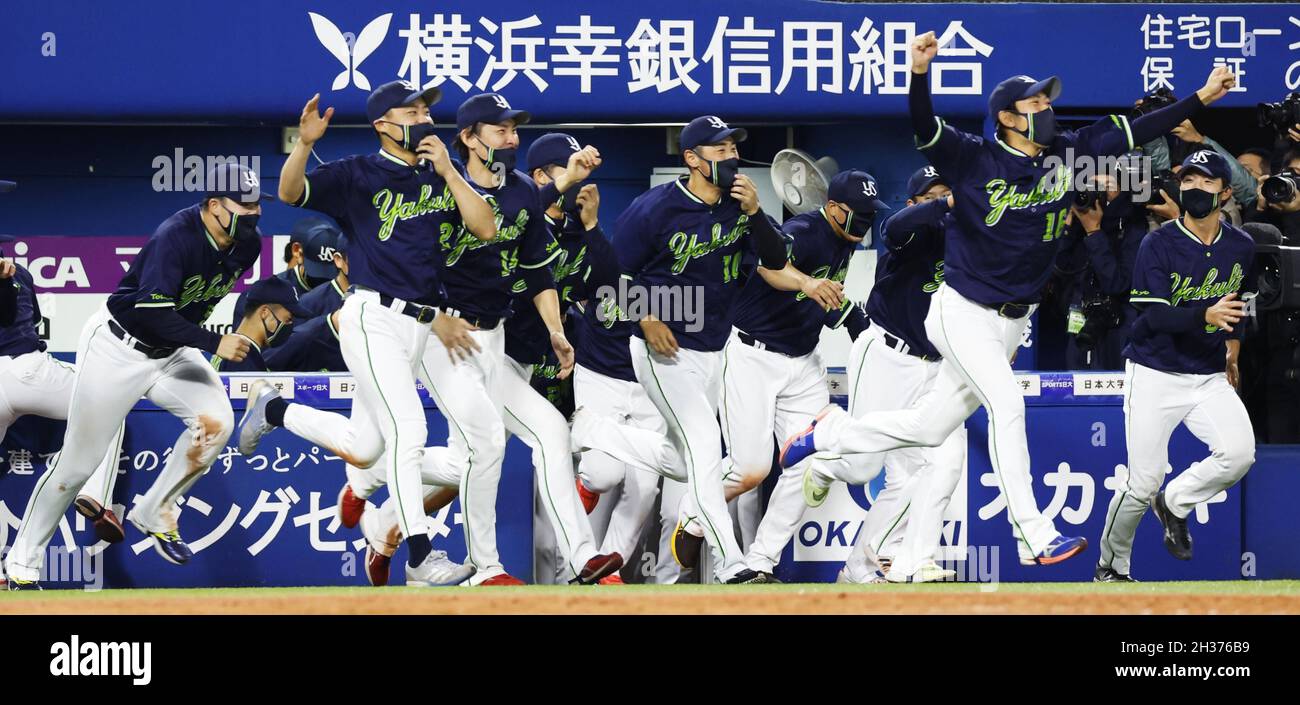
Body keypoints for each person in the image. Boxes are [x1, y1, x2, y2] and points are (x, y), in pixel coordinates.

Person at [781, 30, 1237, 568]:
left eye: (1048, 100)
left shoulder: (1066, 153)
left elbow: (1135, 131)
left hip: (1011, 322)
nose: (1047, 108)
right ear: (1008, 117)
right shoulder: (973, 158)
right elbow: (925, 127)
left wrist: (1201, 99)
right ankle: (1033, 534)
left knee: (929, 426)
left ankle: (829, 433)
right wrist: (919, 73)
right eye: (1036, 102)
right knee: (1008, 403)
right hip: (962, 311)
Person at [237, 80, 497, 588]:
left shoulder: (441, 171)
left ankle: (272, 408)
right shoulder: (357, 173)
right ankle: (421, 557)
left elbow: (485, 226)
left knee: (364, 447)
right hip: (373, 315)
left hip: (420, 325)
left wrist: (448, 169)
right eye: (412, 109)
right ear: (383, 123)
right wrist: (305, 144)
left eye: (426, 109)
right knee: (410, 431)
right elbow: (290, 192)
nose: (423, 117)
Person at [3, 163, 265, 589]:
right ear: (214, 205)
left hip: (172, 350)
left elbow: (181, 315)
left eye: (257, 204)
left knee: (216, 422)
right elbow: (154, 313)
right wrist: (213, 342)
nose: (253, 212)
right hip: (117, 347)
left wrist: (198, 340)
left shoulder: (246, 244)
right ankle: (21, 565)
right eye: (244, 204)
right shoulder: (175, 236)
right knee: (77, 465)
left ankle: (156, 510)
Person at [608, 114, 798, 584]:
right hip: (664, 350)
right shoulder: (652, 208)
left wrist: (755, 213)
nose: (731, 156)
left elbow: (776, 261)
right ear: (692, 159)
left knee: (682, 459)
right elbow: (609, 275)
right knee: (705, 450)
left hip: (717, 347)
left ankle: (598, 433)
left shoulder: (743, 205)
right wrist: (645, 316)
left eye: (734, 147)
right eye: (719, 149)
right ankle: (735, 563)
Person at [799, 166, 967, 584]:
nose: (945, 201)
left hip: (937, 367)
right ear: (914, 202)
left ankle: (871, 566)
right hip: (888, 355)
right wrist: (942, 204)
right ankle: (824, 451)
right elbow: (895, 224)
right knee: (862, 469)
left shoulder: (965, 240)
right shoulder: (907, 234)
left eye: (950, 192)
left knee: (930, 469)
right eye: (932, 196)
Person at [1096, 150, 1257, 581]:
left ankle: (1176, 501)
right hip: (1154, 372)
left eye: (1206, 183)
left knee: (1239, 454)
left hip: (1207, 375)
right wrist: (1205, 315)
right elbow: (1154, 317)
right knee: (1140, 483)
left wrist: (1234, 348)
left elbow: (1240, 306)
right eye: (1188, 180)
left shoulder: (1241, 245)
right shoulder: (1159, 242)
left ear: (1225, 193)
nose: (1195, 189)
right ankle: (1112, 568)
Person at [210, 277, 309, 372]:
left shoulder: (234, 350)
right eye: (288, 319)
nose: (289, 325)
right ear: (265, 312)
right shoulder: (241, 357)